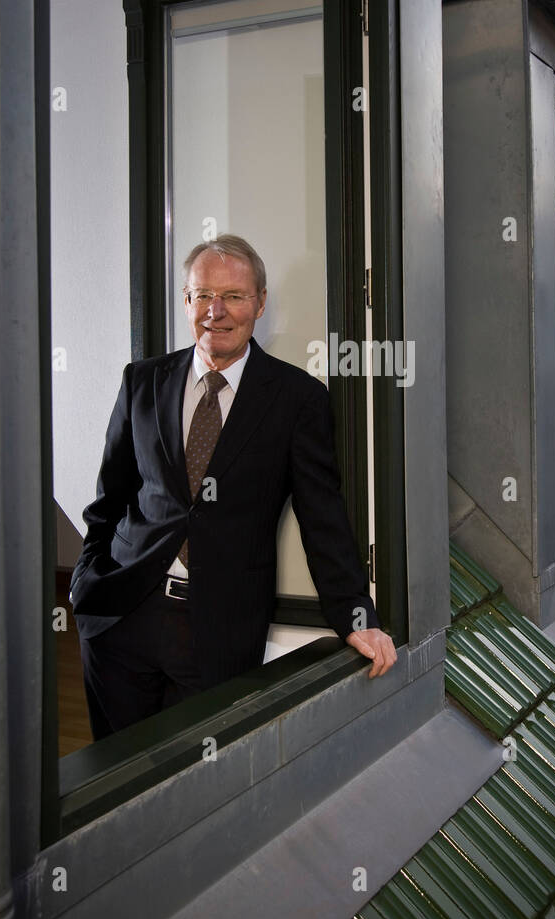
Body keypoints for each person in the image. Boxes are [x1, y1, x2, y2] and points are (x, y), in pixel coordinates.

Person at [70, 235, 396, 739]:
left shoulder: (296, 399)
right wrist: (86, 583)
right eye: (202, 295)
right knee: (114, 785)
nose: (215, 311)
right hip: (121, 618)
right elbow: (110, 499)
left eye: (234, 297)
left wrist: (357, 617)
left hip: (219, 632)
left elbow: (322, 517)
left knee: (199, 787)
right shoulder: (143, 381)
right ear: (186, 302)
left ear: (260, 303)